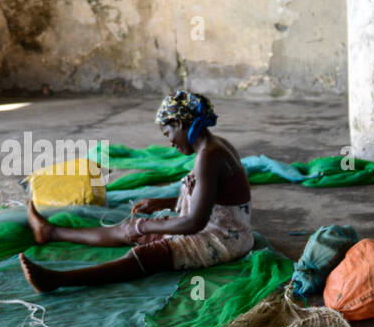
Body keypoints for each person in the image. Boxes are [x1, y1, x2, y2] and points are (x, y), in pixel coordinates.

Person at [18, 91, 254, 292]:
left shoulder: (209, 156)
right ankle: (49, 232)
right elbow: (212, 198)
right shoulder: (211, 147)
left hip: (224, 240)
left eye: (168, 133)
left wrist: (143, 225)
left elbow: (194, 223)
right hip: (221, 228)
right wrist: (163, 203)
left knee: (146, 256)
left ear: (180, 124)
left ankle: (56, 280)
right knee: (126, 230)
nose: (170, 142)